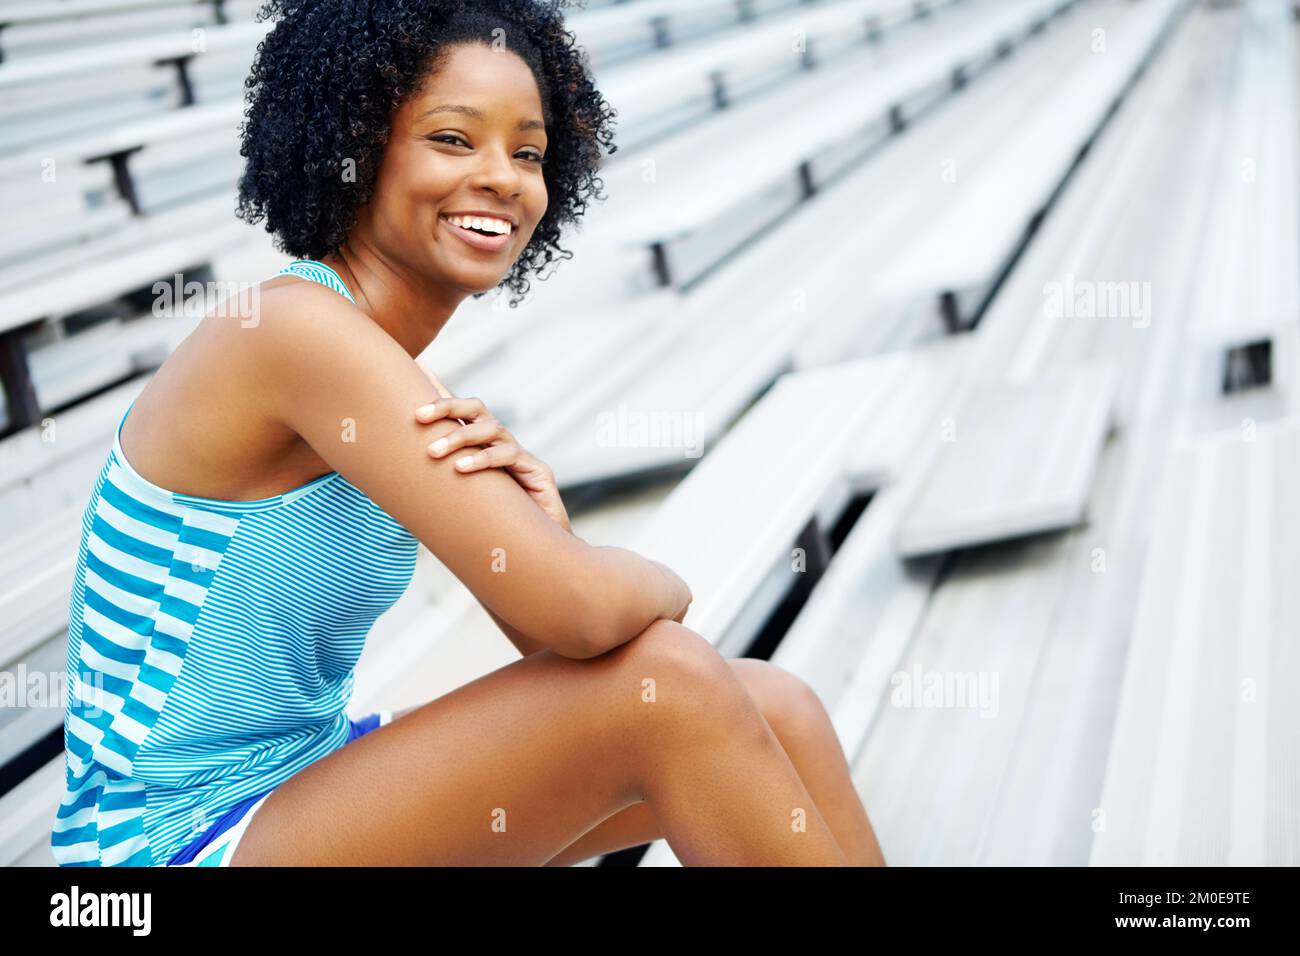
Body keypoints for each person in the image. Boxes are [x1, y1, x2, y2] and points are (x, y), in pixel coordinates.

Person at [52, 0, 885, 867]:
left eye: (527, 152)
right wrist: (659, 581)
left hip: (300, 782)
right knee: (670, 683)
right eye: (453, 140)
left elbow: (561, 641)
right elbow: (587, 613)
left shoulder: (392, 372)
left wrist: (546, 539)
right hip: (158, 853)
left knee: (778, 708)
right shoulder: (293, 333)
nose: (503, 177)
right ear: (358, 146)